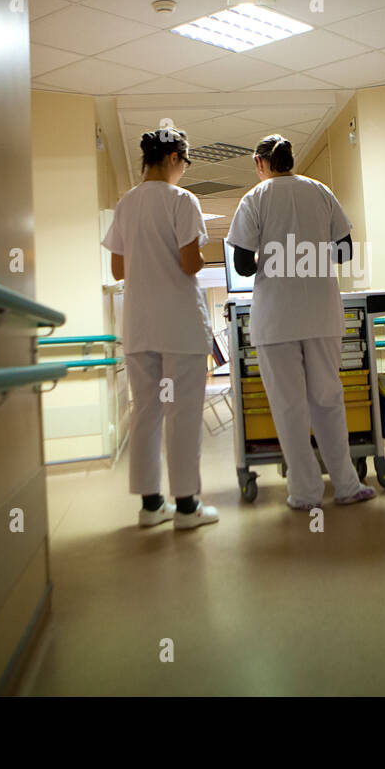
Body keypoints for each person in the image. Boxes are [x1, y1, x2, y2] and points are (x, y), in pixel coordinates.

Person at [226, 134, 376, 510]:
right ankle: (346, 485)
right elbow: (344, 250)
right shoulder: (320, 191)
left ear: (260, 164)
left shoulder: (254, 199)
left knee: (289, 406)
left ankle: (306, 494)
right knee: (328, 400)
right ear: (291, 160)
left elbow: (243, 265)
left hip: (277, 319)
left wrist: (276, 259)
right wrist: (308, 253)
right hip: (321, 314)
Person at [102, 127, 218, 530]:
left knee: (146, 412)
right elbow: (189, 263)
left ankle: (151, 506)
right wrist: (198, 258)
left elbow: (117, 269)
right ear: (173, 158)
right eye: (184, 163)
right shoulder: (182, 200)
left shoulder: (126, 203)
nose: (183, 171)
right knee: (182, 413)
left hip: (139, 326)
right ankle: (187, 508)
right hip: (178, 327)